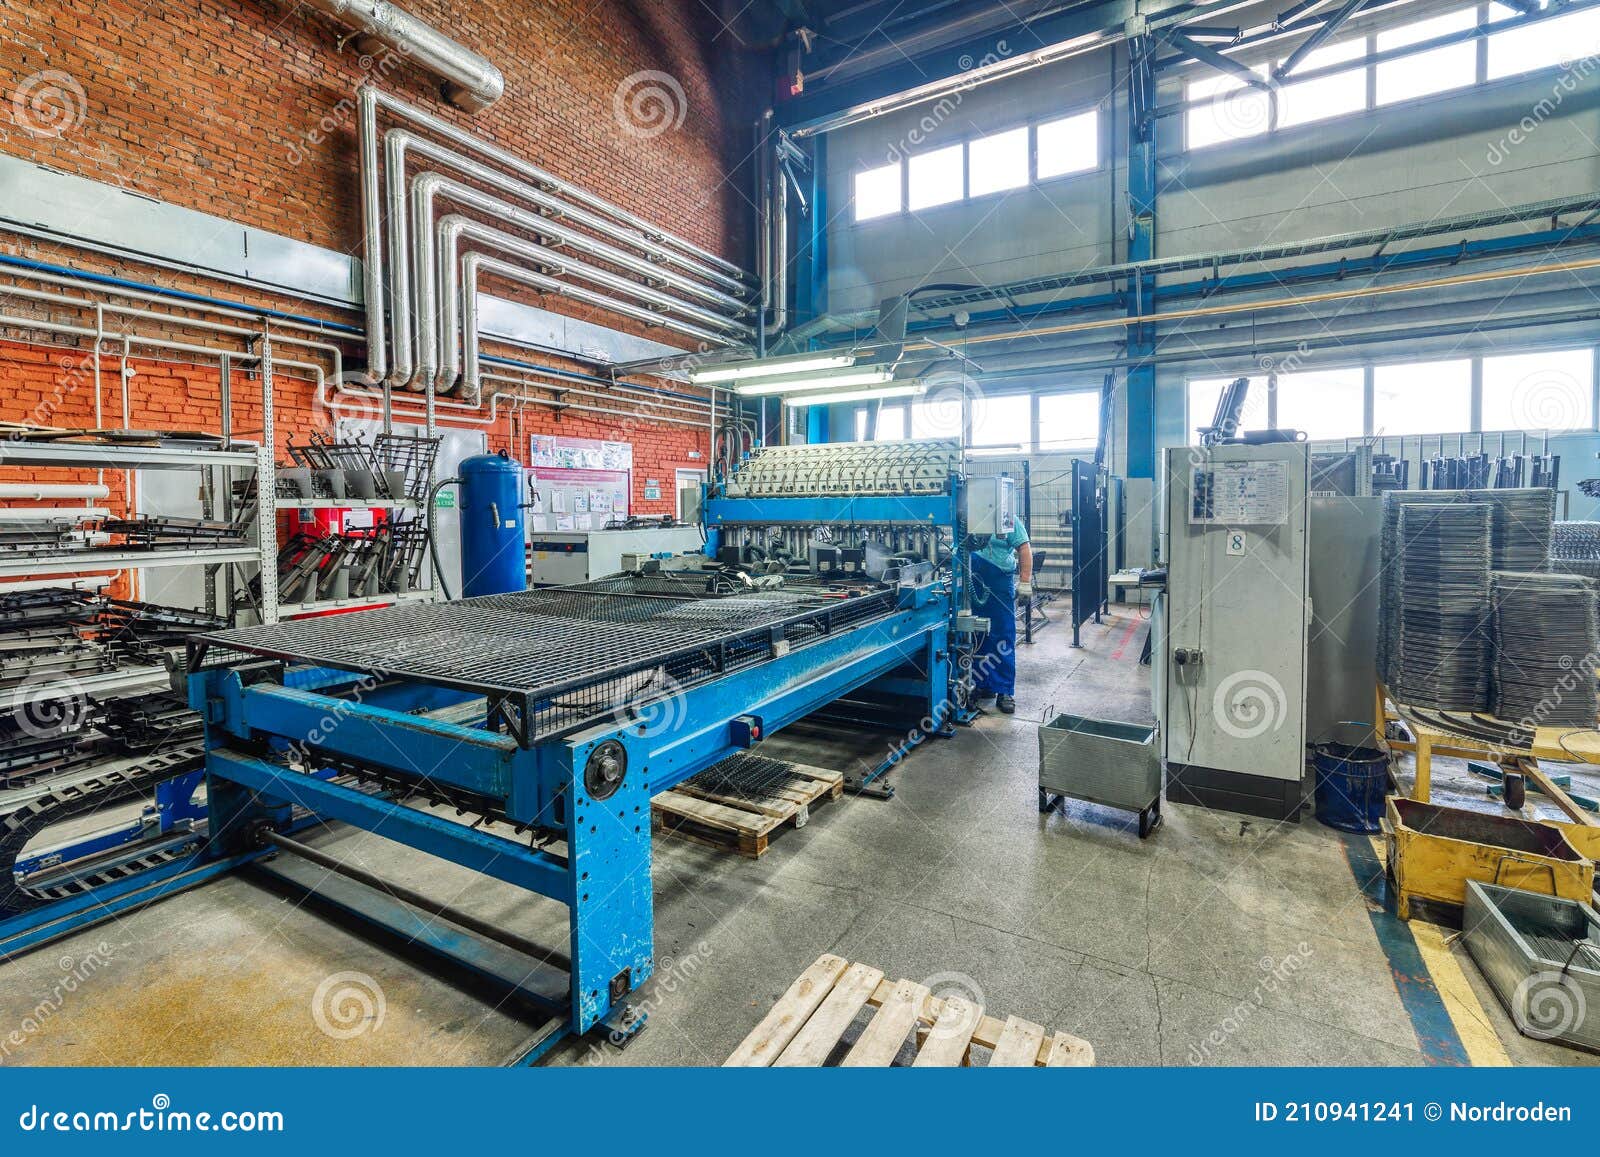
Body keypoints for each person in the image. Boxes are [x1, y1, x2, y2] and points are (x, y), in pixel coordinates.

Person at [969, 517, 1032, 714]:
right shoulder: (968, 516)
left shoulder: (1008, 517)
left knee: (1002, 635)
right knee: (975, 633)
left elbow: (1024, 547)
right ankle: (979, 684)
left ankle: (1004, 690)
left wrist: (1025, 582)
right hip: (973, 579)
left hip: (999, 581)